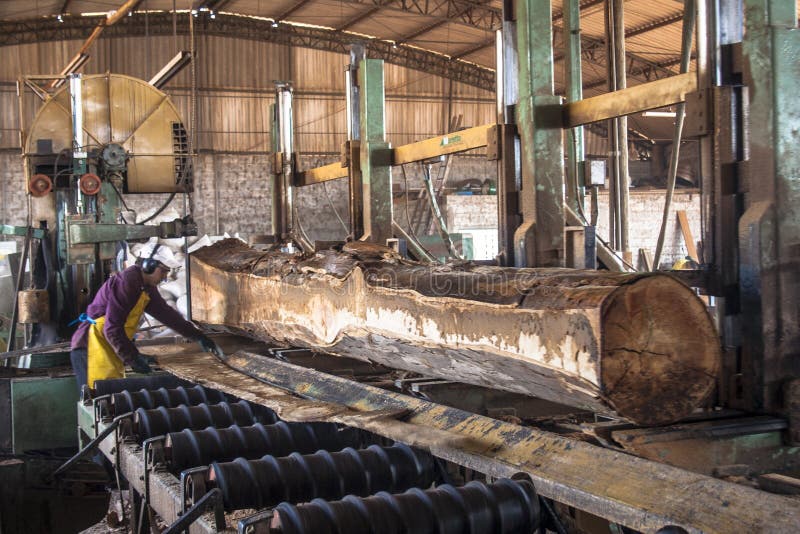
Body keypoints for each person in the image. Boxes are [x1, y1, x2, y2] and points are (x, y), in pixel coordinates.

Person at [70, 243, 223, 391]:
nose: (165, 277)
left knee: (112, 397)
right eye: (163, 271)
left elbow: (168, 315)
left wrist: (198, 336)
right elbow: (112, 328)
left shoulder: (146, 288)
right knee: (98, 398)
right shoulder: (127, 283)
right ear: (148, 266)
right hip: (90, 347)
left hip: (106, 346)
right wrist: (133, 358)